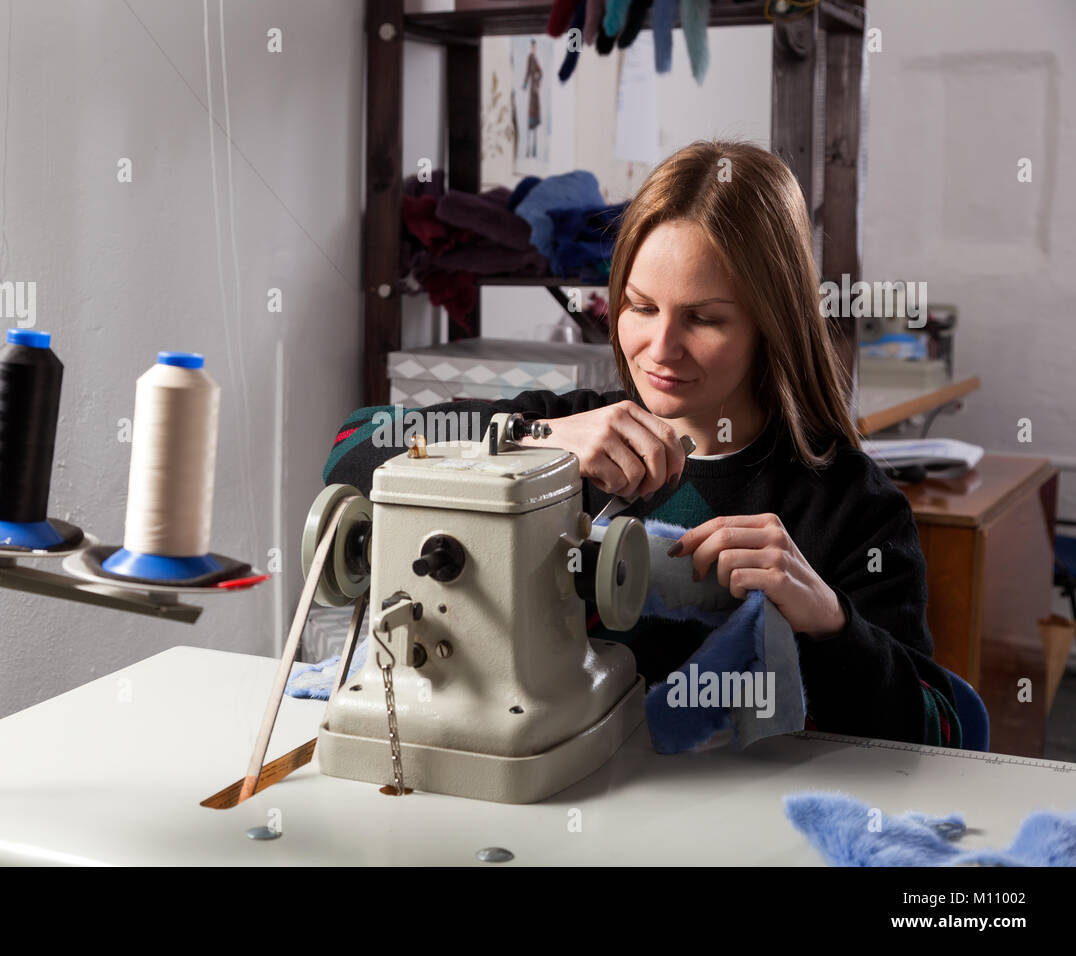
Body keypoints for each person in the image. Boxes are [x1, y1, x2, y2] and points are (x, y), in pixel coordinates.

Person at [323, 140, 960, 748]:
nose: (659, 349)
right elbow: (354, 446)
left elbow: (931, 736)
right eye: (640, 306)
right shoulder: (565, 432)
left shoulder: (850, 505)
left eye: (704, 318)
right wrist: (530, 437)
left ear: (773, 322)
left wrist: (830, 622)